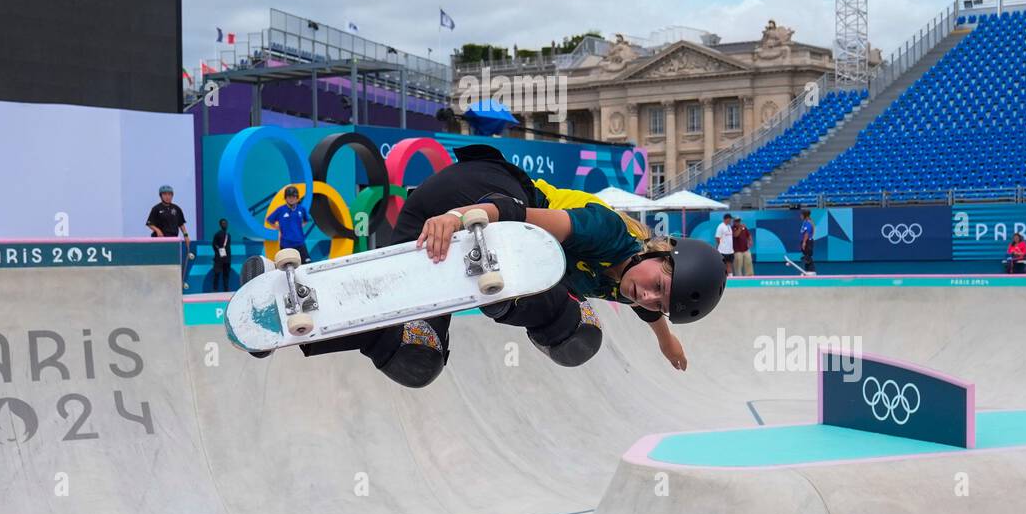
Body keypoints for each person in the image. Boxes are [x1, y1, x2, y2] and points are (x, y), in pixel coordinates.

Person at [295, 144, 726, 389]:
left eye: (660, 302)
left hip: (422, 212)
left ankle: (295, 304)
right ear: (660, 253)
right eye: (657, 284)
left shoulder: (640, 285)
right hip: (481, 192)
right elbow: (514, 212)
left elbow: (649, 309)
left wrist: (666, 341)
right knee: (577, 329)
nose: (646, 296)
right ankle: (504, 297)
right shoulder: (606, 230)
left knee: (418, 356)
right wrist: (459, 219)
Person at [266, 185, 311, 262]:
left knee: (307, 264)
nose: (291, 199)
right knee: (288, 267)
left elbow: (306, 220)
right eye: (289, 197)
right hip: (286, 244)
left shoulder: (301, 209)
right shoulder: (281, 210)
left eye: (294, 197)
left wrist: (299, 227)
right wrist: (278, 227)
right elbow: (269, 220)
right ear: (286, 198)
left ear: (297, 198)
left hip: (300, 243)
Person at [211, 218, 233, 292]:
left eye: (226, 223)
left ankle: (226, 289)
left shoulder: (228, 235)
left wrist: (229, 257)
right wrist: (218, 252)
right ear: (220, 225)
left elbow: (228, 246)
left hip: (227, 258)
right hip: (219, 258)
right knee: (217, 273)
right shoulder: (217, 234)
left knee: (226, 274)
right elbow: (214, 244)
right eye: (223, 223)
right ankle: (215, 289)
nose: (225, 225)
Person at [799, 209, 815, 273]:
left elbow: (807, 233)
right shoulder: (805, 222)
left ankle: (812, 271)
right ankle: (808, 271)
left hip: (808, 242)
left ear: (804, 215)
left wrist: (804, 242)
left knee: (808, 257)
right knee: (806, 258)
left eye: (801, 215)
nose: (800, 216)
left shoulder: (808, 223)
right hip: (806, 241)